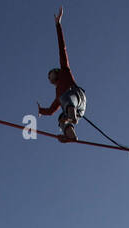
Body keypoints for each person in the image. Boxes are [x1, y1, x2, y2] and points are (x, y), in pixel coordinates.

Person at [38, 7, 86, 141]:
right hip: (78, 111)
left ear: (56, 72)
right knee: (60, 119)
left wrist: (58, 25)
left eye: (50, 74)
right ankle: (71, 135)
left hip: (77, 97)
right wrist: (41, 111)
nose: (49, 78)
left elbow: (62, 48)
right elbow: (51, 110)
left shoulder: (64, 70)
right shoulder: (57, 95)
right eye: (48, 78)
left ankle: (71, 114)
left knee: (65, 98)